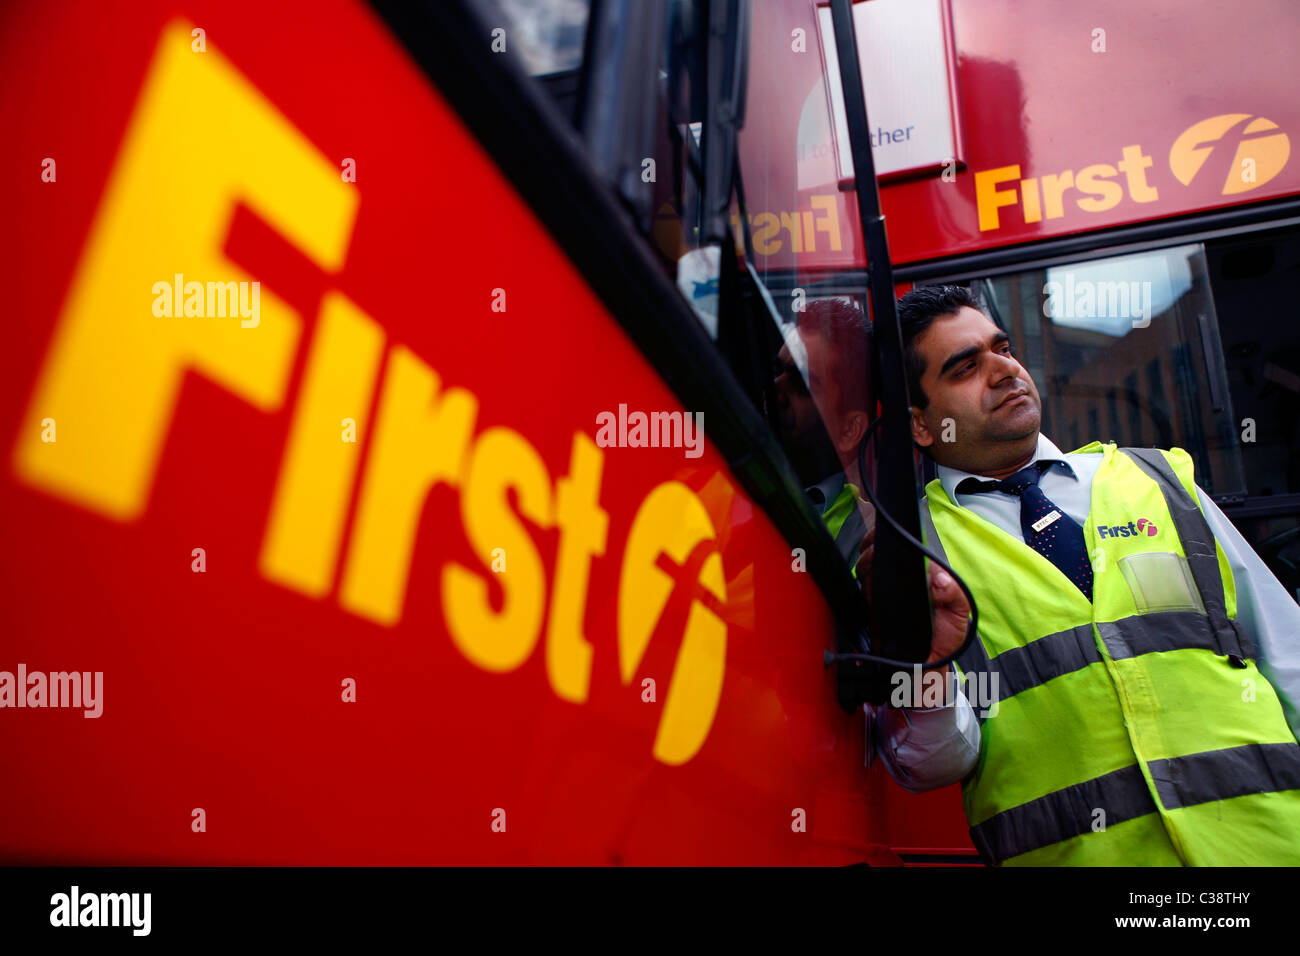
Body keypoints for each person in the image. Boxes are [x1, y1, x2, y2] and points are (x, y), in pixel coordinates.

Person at [867, 284, 1300, 866]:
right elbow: (932, 765)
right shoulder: (911, 554)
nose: (1004, 372)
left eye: (1004, 349)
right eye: (966, 367)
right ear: (920, 425)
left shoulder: (1160, 481)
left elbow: (1288, 655)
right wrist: (931, 668)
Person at [771, 298, 874, 568]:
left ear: (849, 430)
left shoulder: (869, 534)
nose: (774, 391)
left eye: (801, 384)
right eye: (777, 371)